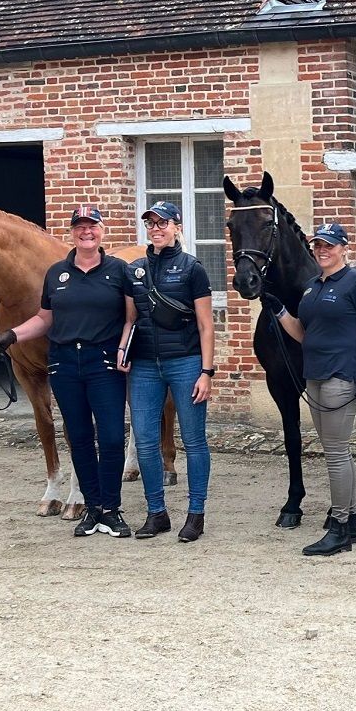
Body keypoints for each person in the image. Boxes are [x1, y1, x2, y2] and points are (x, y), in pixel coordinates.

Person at [0, 205, 131, 538]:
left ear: (102, 230)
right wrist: (11, 336)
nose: (86, 232)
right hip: (65, 364)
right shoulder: (56, 274)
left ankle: (112, 509)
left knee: (110, 437)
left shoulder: (118, 271)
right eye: (80, 227)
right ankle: (93, 508)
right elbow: (44, 319)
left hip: (103, 362)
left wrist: (124, 348)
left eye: (92, 226)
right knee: (79, 437)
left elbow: (131, 317)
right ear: (72, 233)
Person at [268, 222, 356, 556]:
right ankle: (352, 522)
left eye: (329, 245)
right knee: (337, 451)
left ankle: (339, 527)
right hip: (314, 376)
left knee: (335, 453)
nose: (322, 250)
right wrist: (279, 310)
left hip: (341, 376)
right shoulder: (311, 287)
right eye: (318, 245)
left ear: (344, 248)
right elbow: (304, 333)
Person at [123, 201, 215, 543]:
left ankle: (196, 514)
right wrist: (122, 350)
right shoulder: (134, 270)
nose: (156, 229)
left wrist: (206, 371)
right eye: (150, 224)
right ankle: (156, 513)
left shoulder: (193, 269)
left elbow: (206, 325)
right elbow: (130, 320)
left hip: (185, 362)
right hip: (144, 366)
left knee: (194, 440)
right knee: (146, 441)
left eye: (162, 223)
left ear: (177, 227)